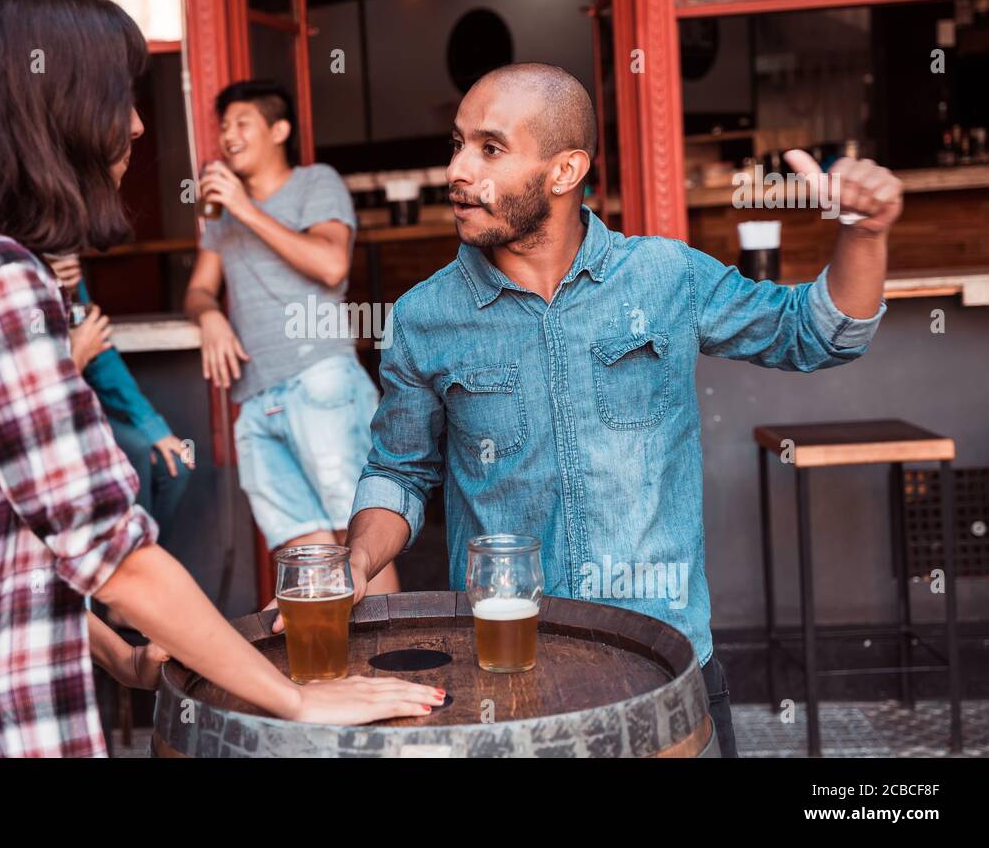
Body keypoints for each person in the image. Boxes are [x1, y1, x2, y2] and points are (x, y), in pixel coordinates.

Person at [0, 0, 442, 758]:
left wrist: (120, 655)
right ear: (52, 112)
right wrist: (295, 696)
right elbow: (118, 561)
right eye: (118, 96)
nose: (135, 123)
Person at [326, 62, 902, 758]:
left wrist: (864, 234)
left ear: (565, 169)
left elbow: (816, 334)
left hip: (665, 663)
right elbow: (400, 471)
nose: (458, 169)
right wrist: (356, 558)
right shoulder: (425, 316)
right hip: (511, 679)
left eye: (490, 148)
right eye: (456, 144)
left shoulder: (665, 277)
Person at [183, 80, 398, 594]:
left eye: (242, 123)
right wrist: (209, 315)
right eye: (223, 126)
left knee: (358, 543)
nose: (228, 135)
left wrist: (245, 208)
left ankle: (398, 662)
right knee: (306, 555)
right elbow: (197, 290)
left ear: (279, 130)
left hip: (319, 382)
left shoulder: (314, 183)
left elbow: (329, 264)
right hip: (255, 400)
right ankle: (344, 675)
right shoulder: (222, 217)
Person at [45, 252, 192, 534]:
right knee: (135, 450)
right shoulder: (9, 275)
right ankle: (133, 567)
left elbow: (99, 353)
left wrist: (151, 424)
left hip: (80, 402)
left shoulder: (68, 275)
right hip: (47, 414)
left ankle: (145, 565)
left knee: (174, 465)